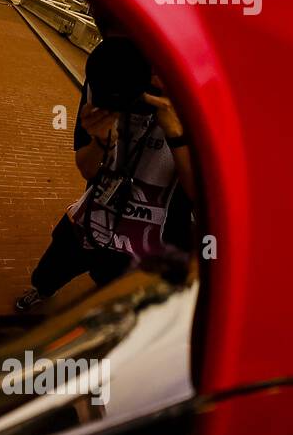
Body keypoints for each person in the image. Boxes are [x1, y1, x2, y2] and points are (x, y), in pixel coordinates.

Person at [14, 33, 196, 312]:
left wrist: (176, 133)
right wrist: (101, 140)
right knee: (52, 269)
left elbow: (200, 194)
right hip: (92, 216)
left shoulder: (201, 108)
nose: (154, 81)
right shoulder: (110, 79)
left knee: (118, 296)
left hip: (151, 242)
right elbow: (86, 168)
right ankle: (41, 289)